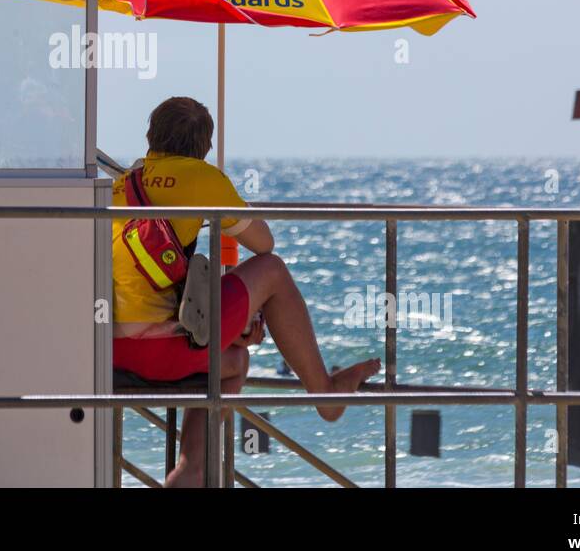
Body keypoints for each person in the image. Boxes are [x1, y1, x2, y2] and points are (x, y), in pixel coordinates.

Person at [111, 96, 381, 487]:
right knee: (272, 272)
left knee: (234, 357)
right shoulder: (203, 178)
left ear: (150, 136)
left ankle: (189, 473)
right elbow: (263, 242)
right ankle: (323, 395)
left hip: (110, 353)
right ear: (204, 148)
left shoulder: (120, 184)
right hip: (165, 352)